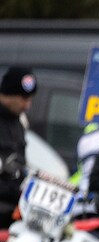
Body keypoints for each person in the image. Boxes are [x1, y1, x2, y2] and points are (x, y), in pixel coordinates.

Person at [0, 66, 36, 229]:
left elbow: (19, 164)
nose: (27, 105)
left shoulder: (17, 122)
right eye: (24, 99)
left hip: (11, 208)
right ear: (8, 95)